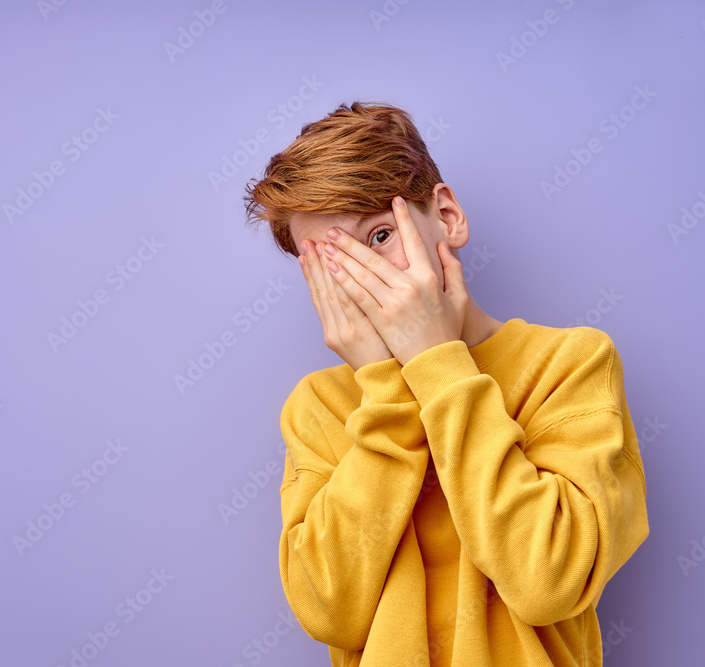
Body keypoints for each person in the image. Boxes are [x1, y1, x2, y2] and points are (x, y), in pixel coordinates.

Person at [242, 101, 649, 666]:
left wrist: (435, 362)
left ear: (447, 216)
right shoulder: (320, 407)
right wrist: (387, 390)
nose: (369, 279)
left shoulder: (571, 364)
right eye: (336, 263)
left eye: (381, 235)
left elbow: (548, 581)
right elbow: (327, 611)